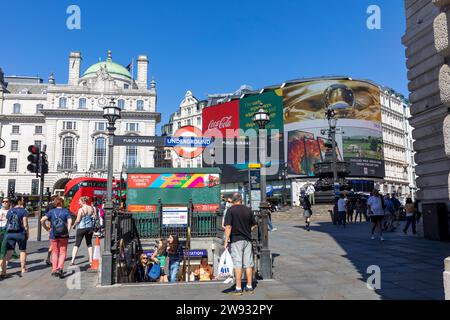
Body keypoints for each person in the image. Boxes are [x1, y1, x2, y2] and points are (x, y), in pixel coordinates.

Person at [224, 193, 257, 295]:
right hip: (247, 240)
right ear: (241, 200)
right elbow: (254, 225)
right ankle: (249, 286)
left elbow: (228, 227)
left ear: (233, 201)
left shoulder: (230, 210)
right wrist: (247, 230)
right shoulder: (248, 210)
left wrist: (226, 241)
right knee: (248, 263)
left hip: (236, 239)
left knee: (238, 264)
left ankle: (238, 288)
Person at [40, 197, 72, 278]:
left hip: (53, 234)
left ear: (55, 203)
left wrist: (47, 228)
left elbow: (42, 220)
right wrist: (67, 230)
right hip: (63, 235)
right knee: (63, 252)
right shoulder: (65, 211)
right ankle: (60, 268)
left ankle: (54, 270)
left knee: (55, 252)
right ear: (62, 203)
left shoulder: (51, 211)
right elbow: (70, 221)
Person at [0, 195, 29, 278]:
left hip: (10, 234)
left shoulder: (10, 211)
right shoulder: (24, 211)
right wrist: (26, 233)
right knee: (22, 251)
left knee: (9, 252)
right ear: (19, 201)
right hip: (20, 233)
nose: (23, 201)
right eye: (22, 199)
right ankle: (23, 269)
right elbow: (25, 224)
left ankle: (4, 271)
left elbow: (8, 221)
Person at [70, 196, 96, 267]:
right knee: (89, 243)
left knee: (77, 244)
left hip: (81, 228)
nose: (79, 203)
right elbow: (94, 217)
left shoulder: (81, 209)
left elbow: (78, 220)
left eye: (79, 201)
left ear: (83, 201)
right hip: (89, 228)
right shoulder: (92, 208)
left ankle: (72, 260)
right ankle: (91, 260)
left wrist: (74, 225)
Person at [44, 195, 58, 265]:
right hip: (54, 226)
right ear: (54, 199)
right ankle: (49, 258)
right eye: (57, 199)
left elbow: (45, 215)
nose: (57, 200)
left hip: (51, 225)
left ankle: (50, 258)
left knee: (53, 243)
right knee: (53, 244)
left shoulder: (49, 206)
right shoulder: (53, 206)